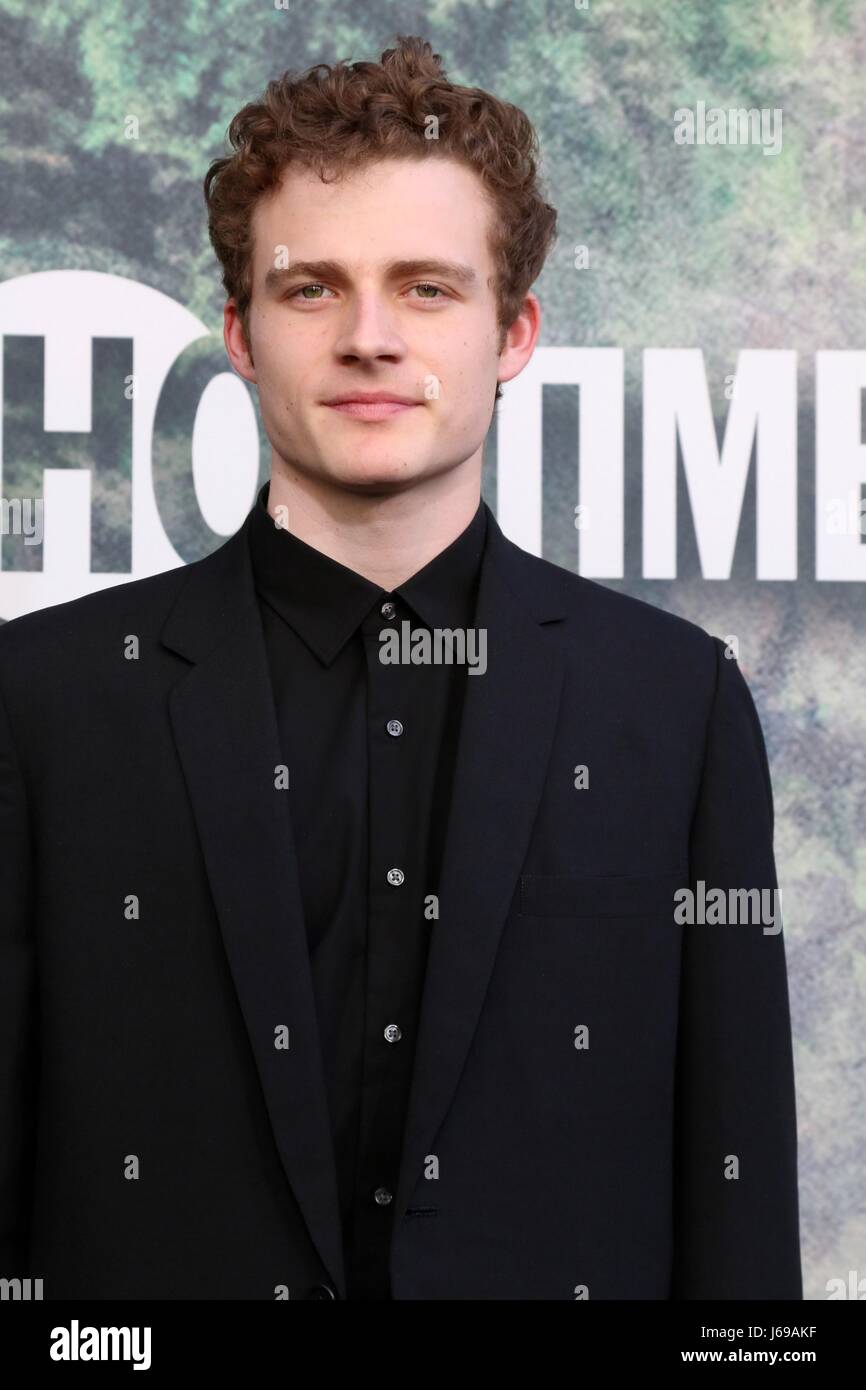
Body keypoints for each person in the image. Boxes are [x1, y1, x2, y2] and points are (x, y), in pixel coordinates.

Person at [0, 35, 801, 1300]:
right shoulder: (41, 701)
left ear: (514, 329)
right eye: (311, 288)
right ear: (241, 333)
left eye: (425, 288)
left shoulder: (673, 703)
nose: (369, 337)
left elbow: (733, 1188)